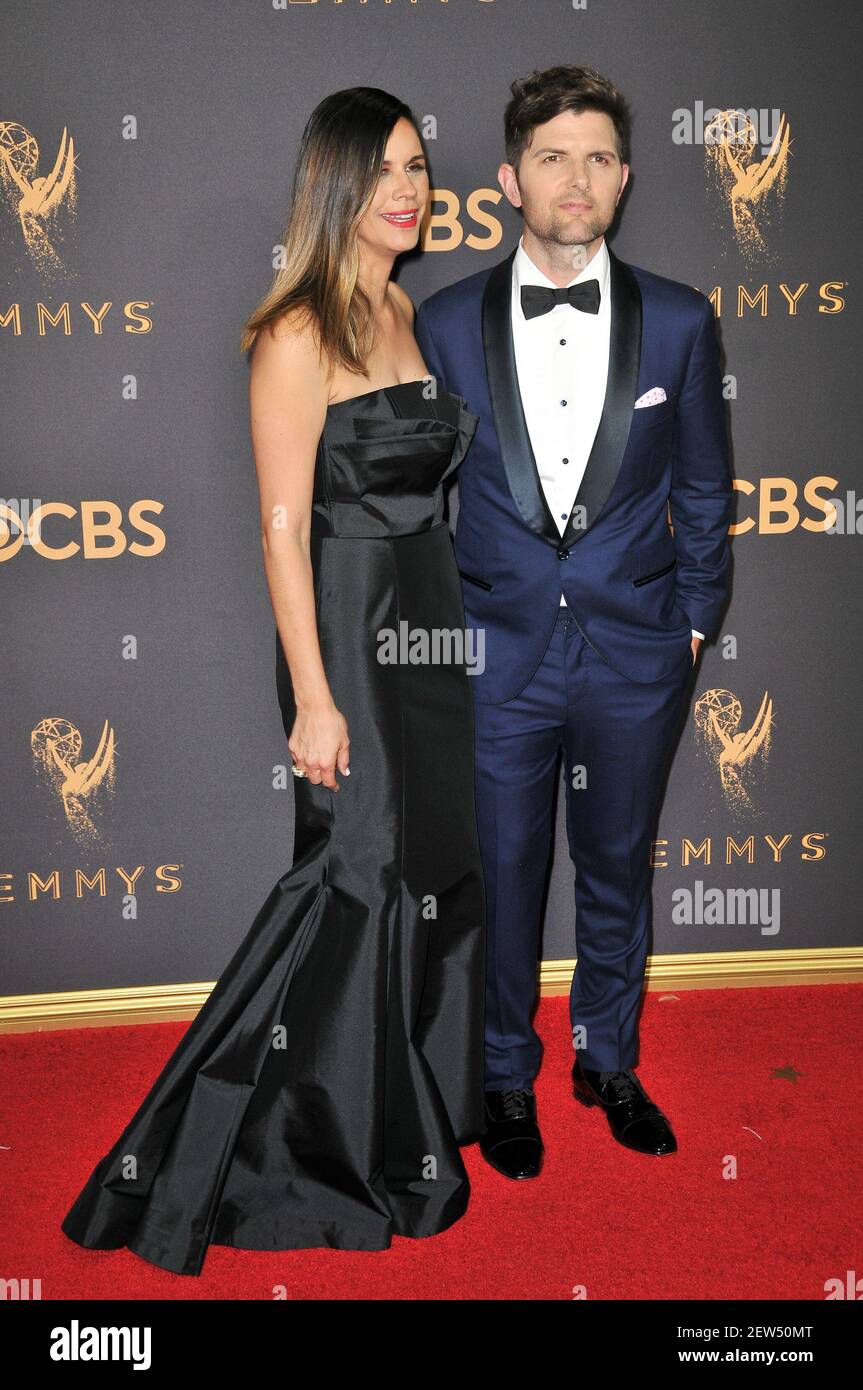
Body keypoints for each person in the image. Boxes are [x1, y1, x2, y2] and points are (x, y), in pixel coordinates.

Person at [61, 88, 485, 1275]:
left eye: (418, 167)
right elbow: (279, 528)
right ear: (337, 182)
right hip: (347, 626)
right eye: (387, 170)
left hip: (433, 618)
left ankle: (409, 1122)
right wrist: (312, 691)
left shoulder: (401, 305)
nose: (411, 189)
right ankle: (294, 1143)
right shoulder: (294, 330)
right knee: (353, 874)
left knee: (433, 871)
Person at [414, 64, 733, 1179]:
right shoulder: (442, 322)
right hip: (495, 658)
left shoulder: (683, 320)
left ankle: (606, 1056)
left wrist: (690, 621)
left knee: (614, 866)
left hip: (633, 654)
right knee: (502, 876)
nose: (576, 176)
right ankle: (503, 1074)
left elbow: (703, 488)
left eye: (597, 155)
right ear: (509, 179)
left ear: (624, 178)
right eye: (552, 155)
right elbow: (413, 501)